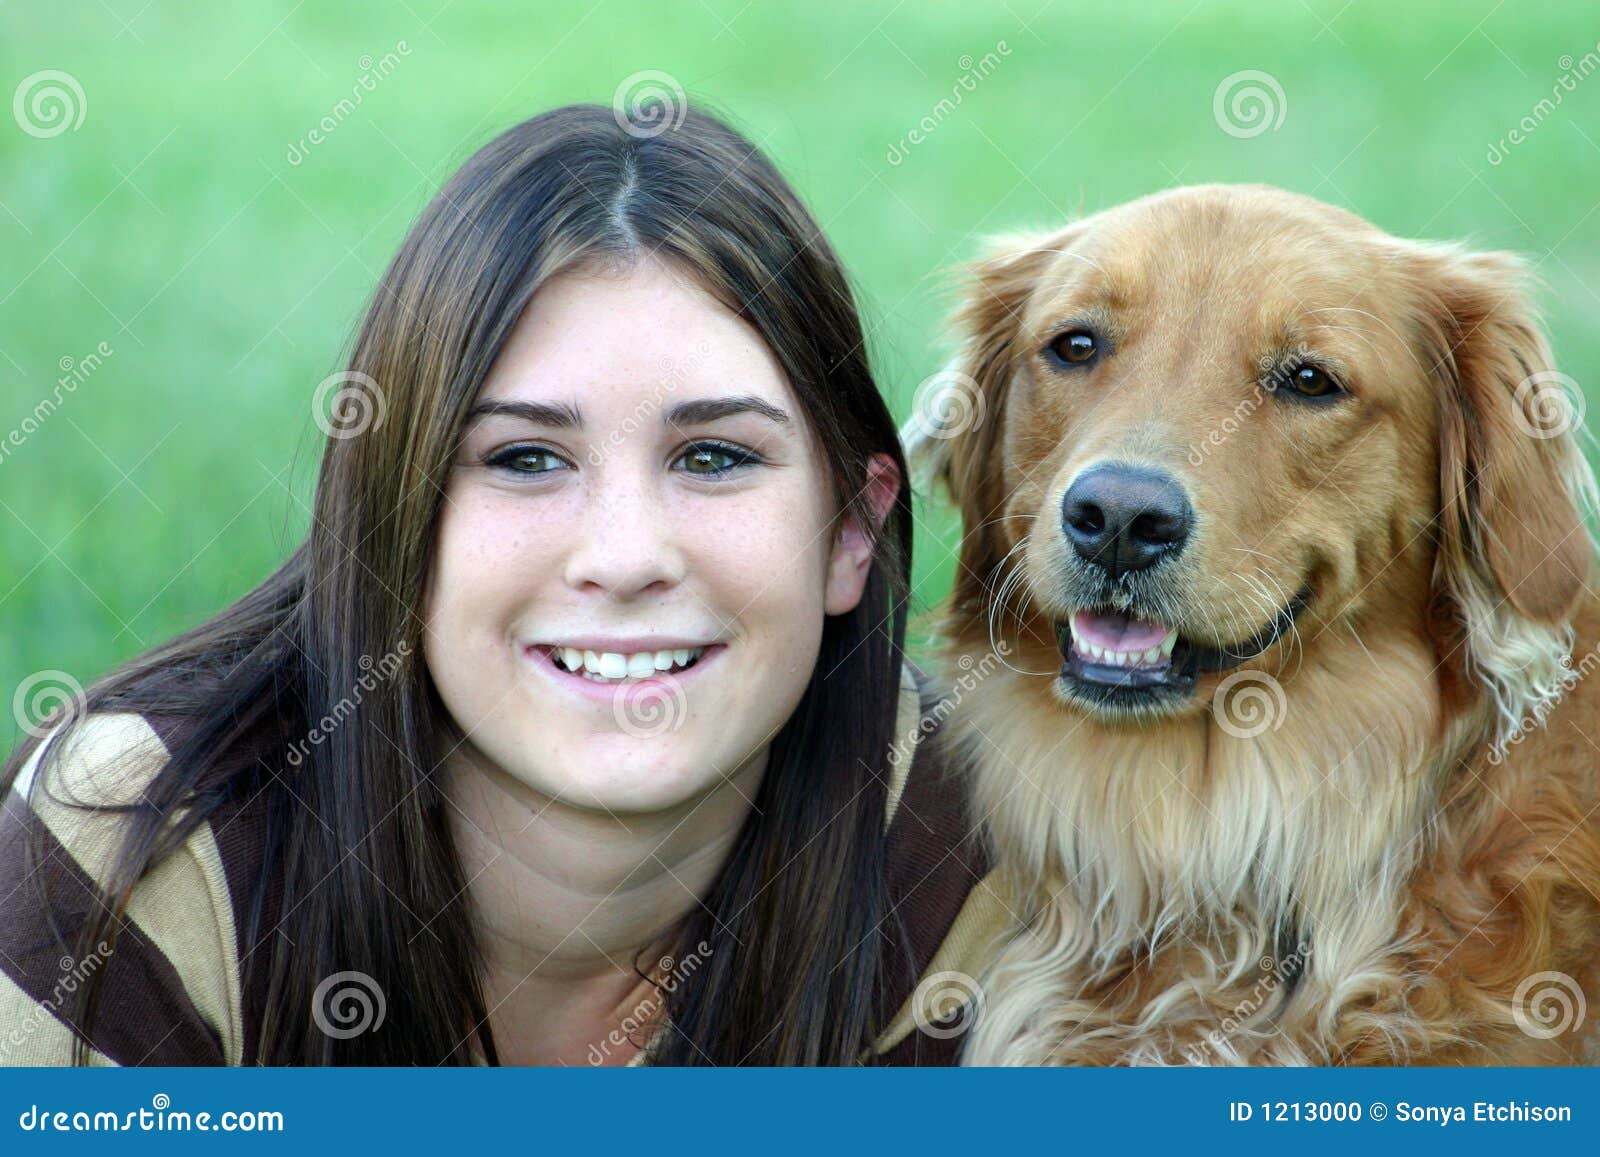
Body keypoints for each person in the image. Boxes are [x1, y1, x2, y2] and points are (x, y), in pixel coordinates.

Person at [0, 103, 995, 1066]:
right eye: (524, 458)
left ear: (851, 529)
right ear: (395, 514)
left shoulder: (993, 845)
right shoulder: (139, 847)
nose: (623, 554)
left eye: (714, 457)